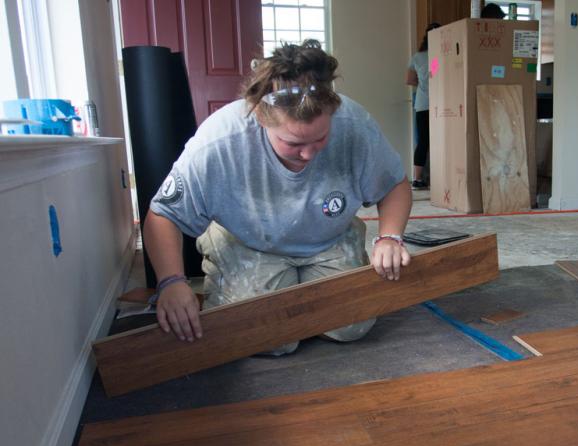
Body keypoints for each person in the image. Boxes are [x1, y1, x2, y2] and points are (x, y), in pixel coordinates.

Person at [144, 40, 412, 354]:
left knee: (350, 325)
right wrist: (171, 281)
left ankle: (311, 283)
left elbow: (395, 185)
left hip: (328, 237)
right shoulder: (219, 142)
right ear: (261, 117)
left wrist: (390, 236)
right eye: (293, 143)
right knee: (270, 338)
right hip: (249, 240)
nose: (308, 154)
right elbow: (162, 216)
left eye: (320, 138)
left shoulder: (355, 125)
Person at [406, 22, 440, 190]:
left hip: (422, 104)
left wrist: (422, 84)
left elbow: (409, 80)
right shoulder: (440, 55)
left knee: (423, 142)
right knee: (441, 140)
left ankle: (417, 178)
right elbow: (436, 75)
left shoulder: (417, 57)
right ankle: (440, 177)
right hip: (441, 103)